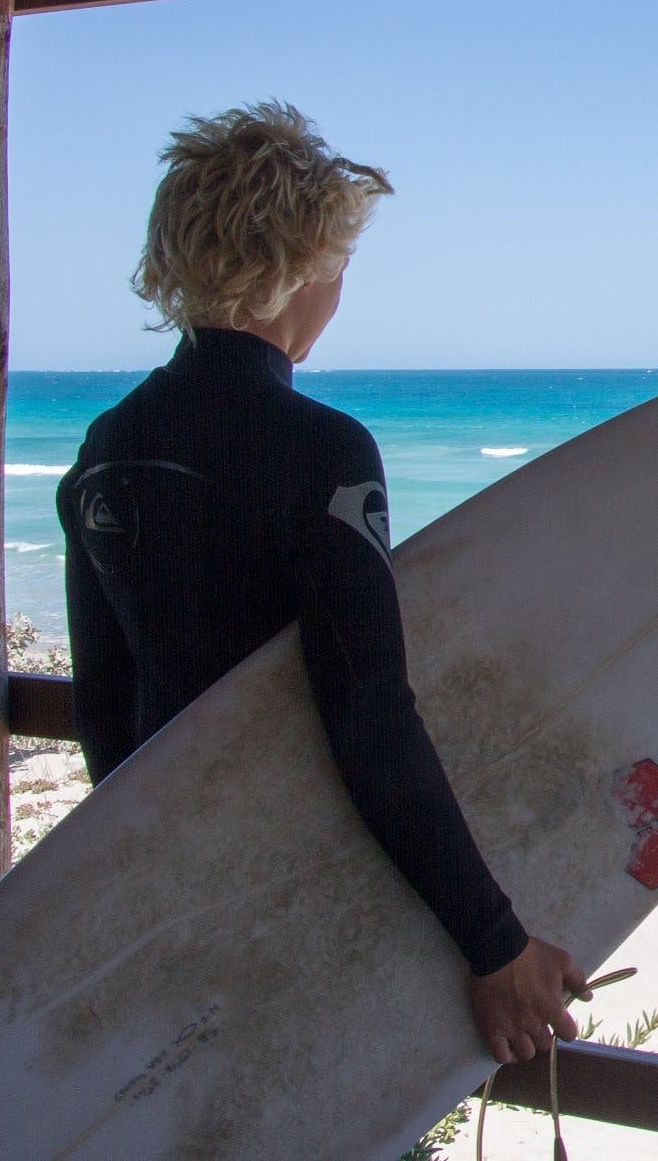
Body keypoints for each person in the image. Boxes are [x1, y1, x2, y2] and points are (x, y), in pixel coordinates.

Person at [57, 102, 585, 1067]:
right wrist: (494, 940)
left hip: (172, 901)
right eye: (343, 259)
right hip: (309, 885)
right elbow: (369, 710)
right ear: (303, 260)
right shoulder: (323, 453)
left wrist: (148, 892)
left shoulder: (102, 453)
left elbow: (105, 715)